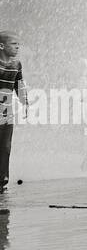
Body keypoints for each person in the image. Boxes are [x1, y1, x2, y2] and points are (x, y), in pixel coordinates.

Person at [0, 31, 29, 193]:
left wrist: (26, 102)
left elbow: (19, 84)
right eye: (13, 44)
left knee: (5, 147)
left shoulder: (16, 64)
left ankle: (2, 183)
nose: (17, 47)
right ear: (1, 46)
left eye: (18, 44)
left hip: (6, 115)